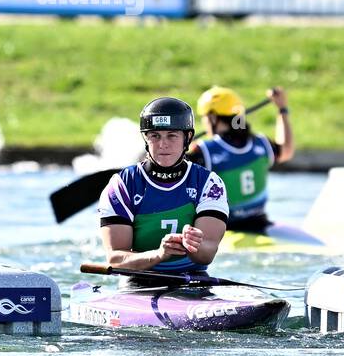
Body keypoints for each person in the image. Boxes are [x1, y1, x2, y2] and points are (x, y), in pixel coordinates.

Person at [96, 97, 229, 276]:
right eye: (155, 136)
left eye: (172, 135)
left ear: (187, 137)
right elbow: (116, 259)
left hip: (194, 281)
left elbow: (207, 254)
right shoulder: (121, 185)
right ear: (146, 138)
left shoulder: (209, 183)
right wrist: (159, 255)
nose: (162, 144)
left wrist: (193, 245)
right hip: (137, 284)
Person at [188, 86, 293, 233]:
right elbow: (286, 151)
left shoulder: (203, 151)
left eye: (204, 118)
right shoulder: (261, 143)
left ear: (212, 117)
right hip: (259, 224)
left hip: (225, 230)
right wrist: (282, 109)